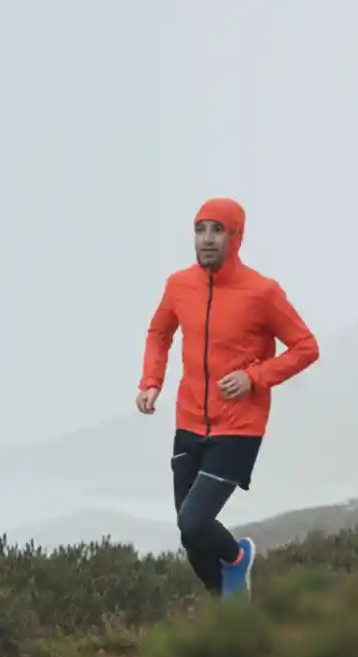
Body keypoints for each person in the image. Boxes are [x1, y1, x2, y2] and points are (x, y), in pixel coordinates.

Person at [135, 197, 320, 600]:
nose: (207, 239)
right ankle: (232, 610)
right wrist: (152, 380)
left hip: (238, 428)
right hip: (188, 423)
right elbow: (159, 333)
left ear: (236, 237)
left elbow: (306, 347)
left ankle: (238, 558)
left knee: (194, 522)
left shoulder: (262, 293)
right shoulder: (179, 285)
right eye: (200, 229)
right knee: (191, 538)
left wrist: (254, 377)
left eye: (217, 230)